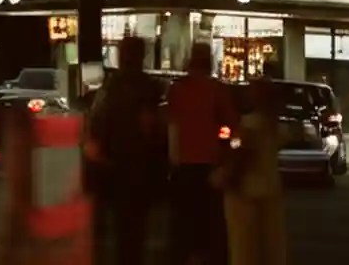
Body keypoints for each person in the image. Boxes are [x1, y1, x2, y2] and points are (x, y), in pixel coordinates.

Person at [87, 36, 167, 265]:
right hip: (141, 164)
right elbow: (154, 126)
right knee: (136, 228)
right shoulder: (150, 87)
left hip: (115, 164)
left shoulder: (111, 86)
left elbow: (97, 121)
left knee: (119, 226)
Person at [166, 42, 238, 265]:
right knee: (212, 227)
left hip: (183, 165)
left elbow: (171, 127)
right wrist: (228, 157)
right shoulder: (217, 90)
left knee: (183, 226)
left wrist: (172, 160)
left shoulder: (177, 90)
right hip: (210, 165)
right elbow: (231, 129)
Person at [221, 77, 287, 265]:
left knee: (244, 249)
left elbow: (239, 149)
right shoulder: (275, 125)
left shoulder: (249, 124)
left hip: (245, 192)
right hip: (270, 190)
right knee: (271, 248)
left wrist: (232, 144)